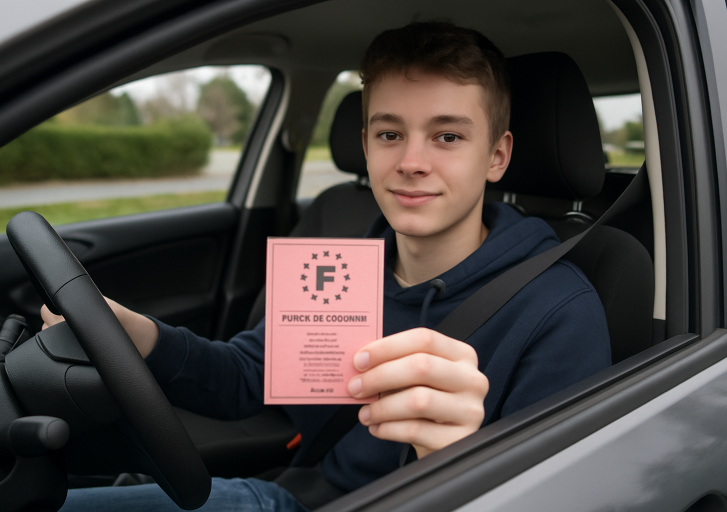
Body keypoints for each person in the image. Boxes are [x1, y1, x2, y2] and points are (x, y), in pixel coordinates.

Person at [47, 21, 611, 512]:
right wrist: (140, 337)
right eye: (390, 134)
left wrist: (465, 460)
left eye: (447, 136)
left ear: (497, 156)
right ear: (365, 146)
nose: (412, 162)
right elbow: (248, 380)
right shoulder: (338, 268)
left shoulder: (560, 311)